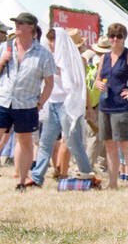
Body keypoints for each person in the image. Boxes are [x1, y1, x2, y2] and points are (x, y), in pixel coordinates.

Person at [28, 27, 97, 188]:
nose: (51, 43)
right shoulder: (48, 57)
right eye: (50, 40)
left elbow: (78, 83)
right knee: (45, 142)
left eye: (54, 40)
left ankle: (87, 174)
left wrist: (87, 107)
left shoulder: (72, 59)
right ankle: (37, 177)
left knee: (74, 143)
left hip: (68, 104)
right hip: (52, 103)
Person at [0, 11, 56, 190]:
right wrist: (2, 62)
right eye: (16, 23)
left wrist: (40, 103)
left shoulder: (43, 54)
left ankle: (22, 181)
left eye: (21, 23)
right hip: (4, 99)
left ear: (31, 27)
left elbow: (49, 83)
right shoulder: (5, 47)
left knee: (24, 141)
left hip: (27, 103)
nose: (17, 25)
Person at [95, 23, 128, 190]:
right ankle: (112, 183)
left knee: (126, 145)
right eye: (112, 36)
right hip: (105, 106)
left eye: (119, 36)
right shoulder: (104, 58)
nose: (115, 39)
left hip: (123, 107)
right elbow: (98, 78)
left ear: (124, 38)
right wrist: (98, 84)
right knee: (109, 146)